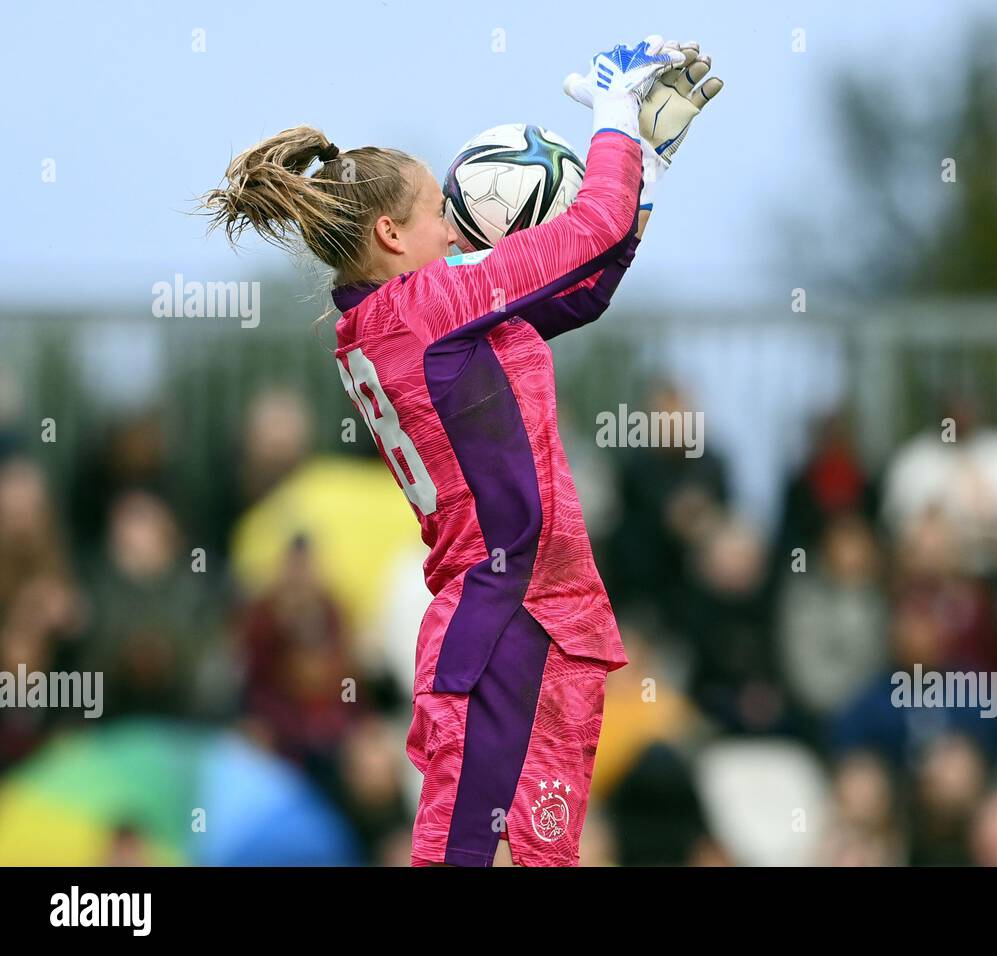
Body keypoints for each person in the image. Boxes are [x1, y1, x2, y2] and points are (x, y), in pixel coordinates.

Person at [203, 36, 723, 867]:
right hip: (504, 627)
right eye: (436, 213)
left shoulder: (411, 319)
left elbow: (582, 286)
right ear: (390, 234)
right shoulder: (431, 308)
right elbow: (586, 228)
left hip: (528, 619)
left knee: (527, 857)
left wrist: (644, 170)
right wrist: (613, 116)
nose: (455, 226)